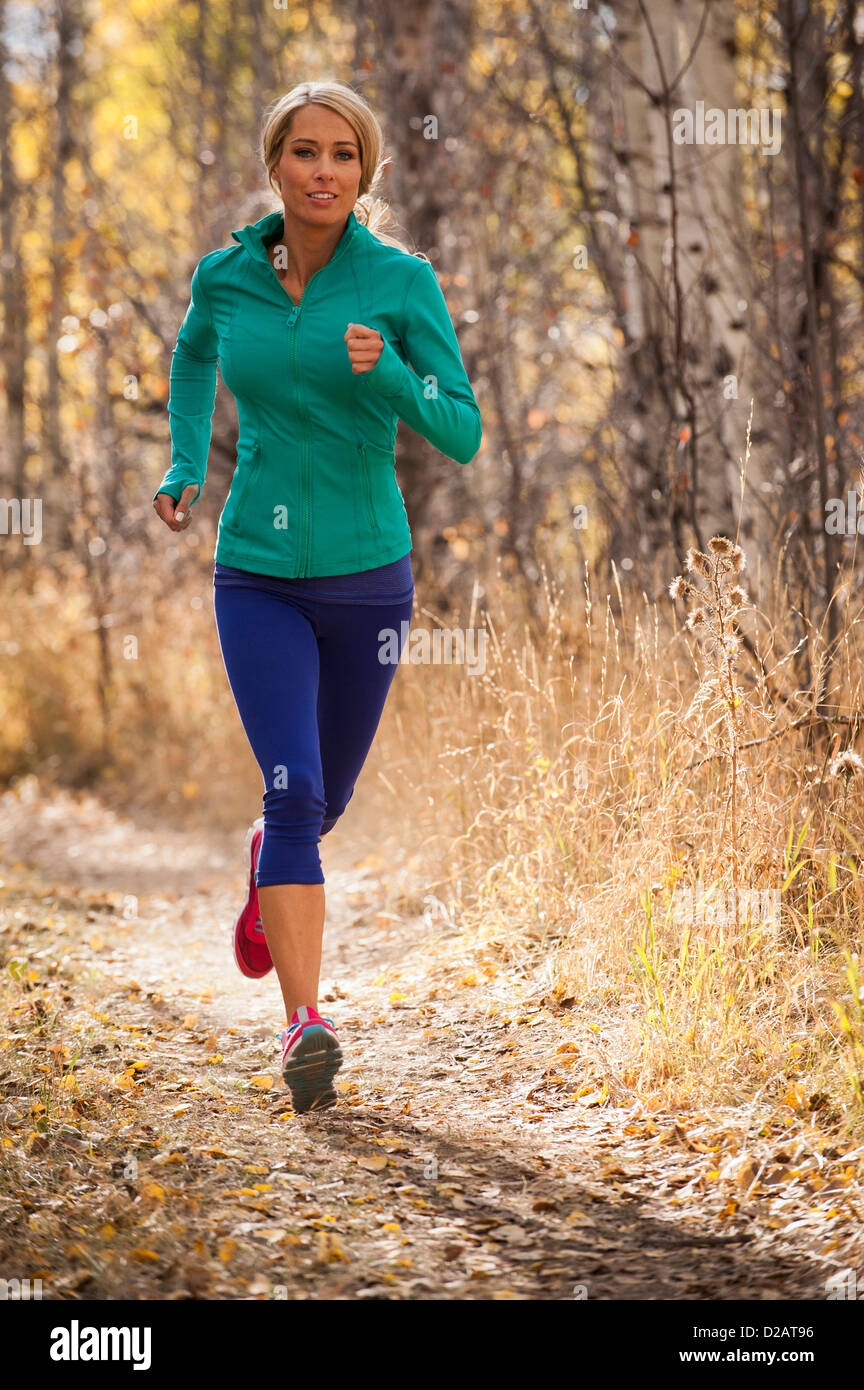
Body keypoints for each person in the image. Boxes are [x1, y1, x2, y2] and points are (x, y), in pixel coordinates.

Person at [152, 81, 482, 1113]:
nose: (324, 170)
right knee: (294, 794)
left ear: (367, 171)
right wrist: (181, 461)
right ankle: (306, 1023)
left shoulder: (400, 282)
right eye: (306, 151)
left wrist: (388, 377)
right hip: (256, 571)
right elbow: (195, 351)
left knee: (319, 806)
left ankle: (269, 865)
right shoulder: (229, 276)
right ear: (276, 164)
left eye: (344, 154)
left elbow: (462, 430)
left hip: (367, 582)